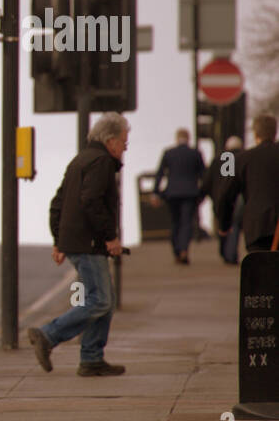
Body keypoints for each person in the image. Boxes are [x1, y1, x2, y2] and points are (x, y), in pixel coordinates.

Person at [27, 112, 129, 377]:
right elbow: (91, 201)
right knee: (100, 300)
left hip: (77, 241)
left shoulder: (79, 161)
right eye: (123, 140)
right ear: (110, 140)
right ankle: (47, 335)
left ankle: (92, 358)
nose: (126, 146)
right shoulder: (101, 162)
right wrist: (110, 237)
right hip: (89, 241)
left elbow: (57, 203)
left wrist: (58, 242)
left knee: (105, 299)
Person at [219, 114, 279, 255]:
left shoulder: (239, 159)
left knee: (260, 271)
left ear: (255, 133)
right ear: (275, 132)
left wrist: (224, 224)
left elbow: (225, 194)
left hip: (257, 227)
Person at [152, 128, 205, 264]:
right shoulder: (195, 153)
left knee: (175, 222)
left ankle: (176, 250)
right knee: (186, 222)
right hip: (190, 193)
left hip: (172, 193)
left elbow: (160, 174)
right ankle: (184, 250)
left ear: (177, 138)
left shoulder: (169, 153)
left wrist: (156, 192)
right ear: (189, 138)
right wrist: (203, 193)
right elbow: (203, 175)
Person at [202, 135, 244, 264]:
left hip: (221, 197)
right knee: (234, 224)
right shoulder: (244, 157)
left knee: (223, 222)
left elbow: (210, 181)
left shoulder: (219, 159)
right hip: (238, 197)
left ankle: (226, 252)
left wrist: (208, 195)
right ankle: (230, 253)